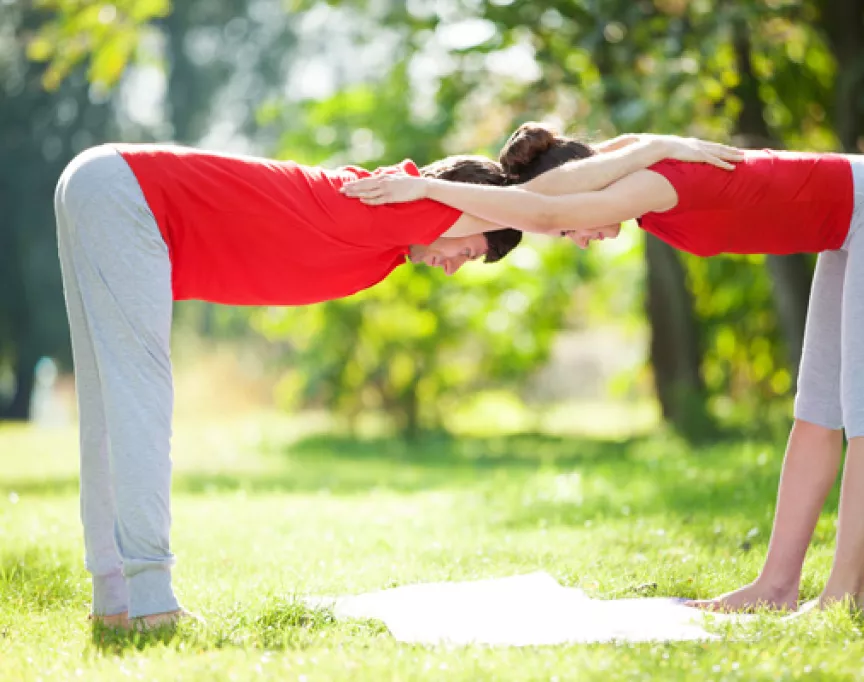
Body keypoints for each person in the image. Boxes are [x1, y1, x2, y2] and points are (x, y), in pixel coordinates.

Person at [55, 136, 742, 630]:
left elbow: (544, 191)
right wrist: (655, 149)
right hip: (128, 192)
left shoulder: (387, 227)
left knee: (111, 406)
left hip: (107, 183)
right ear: (467, 212)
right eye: (468, 251)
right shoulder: (413, 203)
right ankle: (149, 602)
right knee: (138, 394)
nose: (452, 264)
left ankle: (118, 598)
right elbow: (553, 194)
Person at [343, 123, 864, 613]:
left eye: (580, 219)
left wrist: (430, 192)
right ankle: (777, 588)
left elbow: (544, 210)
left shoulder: (649, 185)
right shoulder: (630, 163)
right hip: (849, 222)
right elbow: (561, 187)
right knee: (816, 411)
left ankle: (845, 599)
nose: (580, 237)